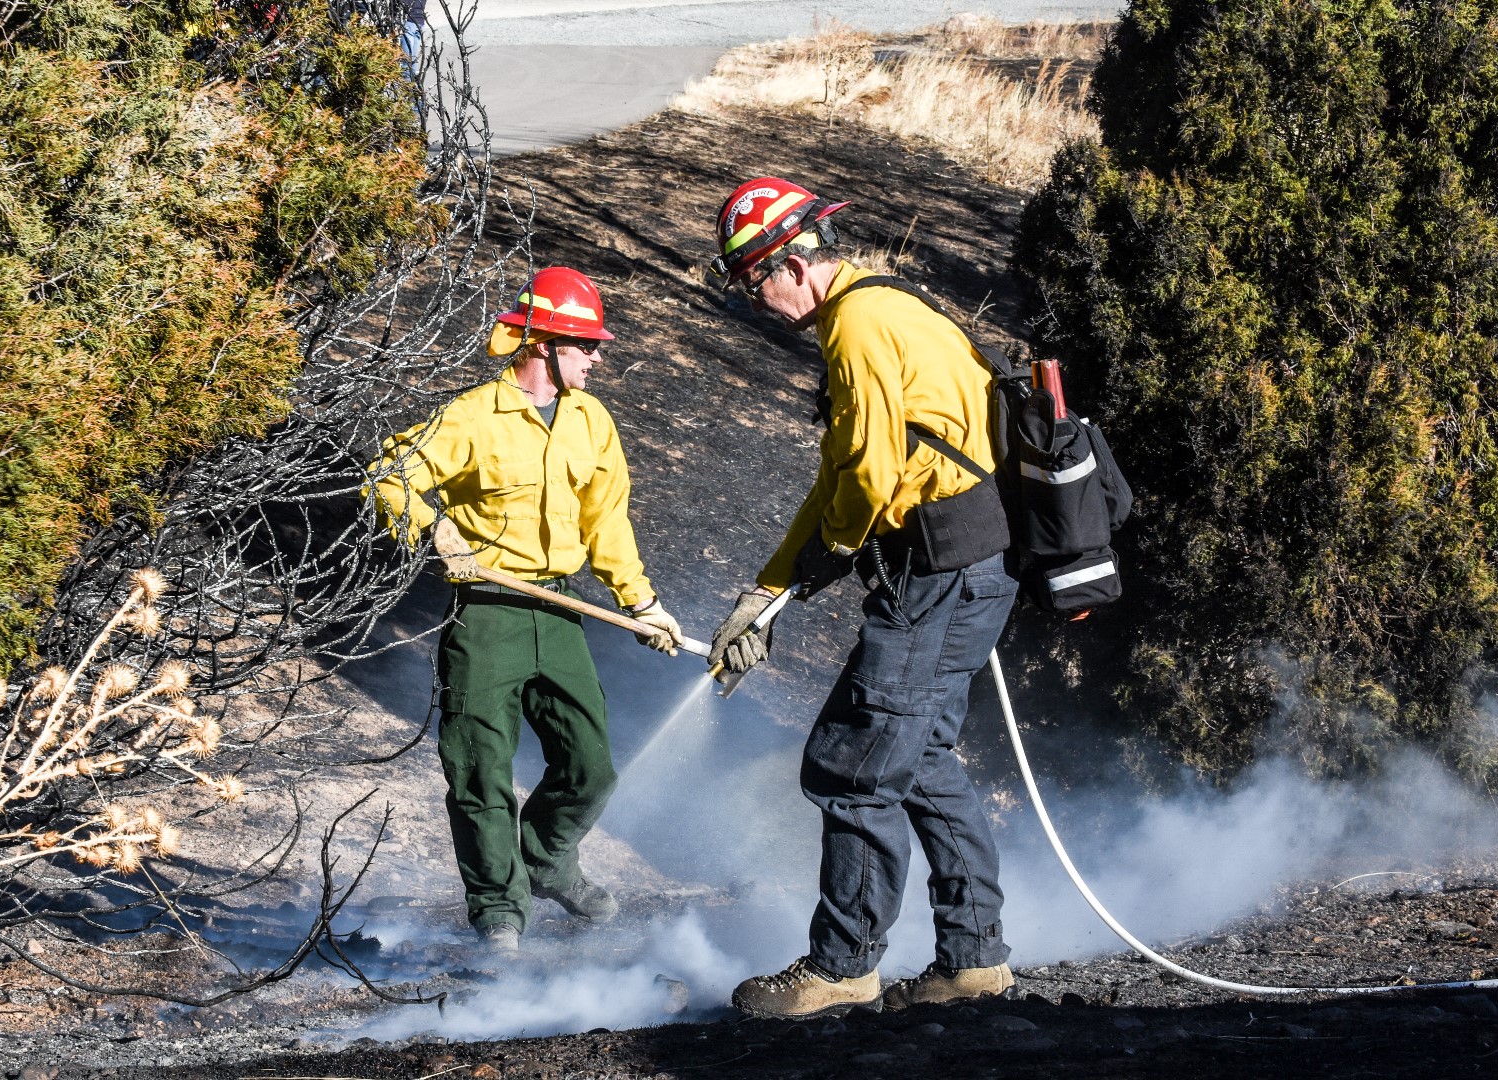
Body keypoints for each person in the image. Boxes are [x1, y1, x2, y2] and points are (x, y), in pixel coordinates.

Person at [704, 177, 1019, 1017]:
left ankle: (841, 969)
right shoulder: (890, 309)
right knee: (920, 759)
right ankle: (973, 963)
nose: (755, 301)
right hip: (979, 562)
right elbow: (842, 475)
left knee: (850, 767)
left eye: (751, 282)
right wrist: (769, 591)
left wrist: (824, 562)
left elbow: (869, 483)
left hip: (934, 572)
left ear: (793, 263)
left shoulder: (857, 327)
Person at [369, 266, 684, 953]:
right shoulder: (474, 416)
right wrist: (434, 528)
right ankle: (499, 912)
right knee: (480, 770)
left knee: (590, 764)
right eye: (586, 346)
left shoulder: (592, 420)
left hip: (558, 609)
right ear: (541, 345)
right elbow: (391, 476)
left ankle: (545, 860)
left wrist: (645, 604)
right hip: (485, 611)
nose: (598, 358)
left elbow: (609, 523)